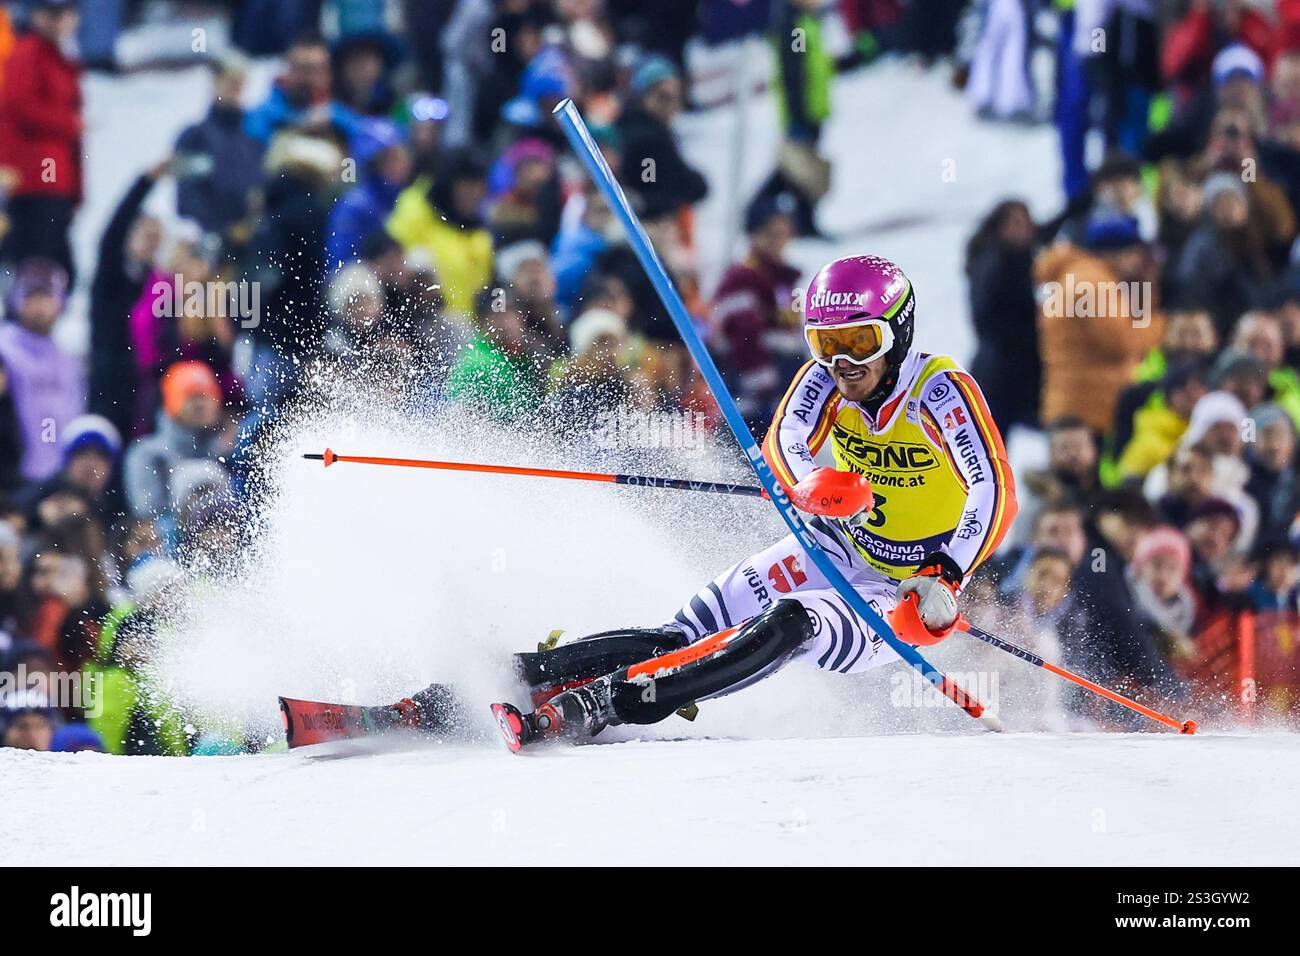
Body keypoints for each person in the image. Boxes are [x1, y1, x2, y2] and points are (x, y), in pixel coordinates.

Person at [488, 255, 1018, 751]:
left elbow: (993, 490)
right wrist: (812, 485)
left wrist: (946, 574)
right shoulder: (824, 380)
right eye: (824, 342)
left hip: (903, 590)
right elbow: (784, 441)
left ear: (897, 334)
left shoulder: (939, 391)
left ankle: (606, 705)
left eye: (859, 341)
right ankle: (512, 677)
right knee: (684, 636)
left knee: (791, 622)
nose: (842, 362)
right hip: (836, 546)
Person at [0, 0, 83, 279]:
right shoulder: (27, 54)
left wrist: (75, 191)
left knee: (57, 271)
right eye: (52, 13)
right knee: (37, 270)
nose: (59, 21)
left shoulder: (59, 56)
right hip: (33, 182)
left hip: (56, 182)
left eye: (65, 13)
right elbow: (17, 105)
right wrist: (68, 123)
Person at [0, 257, 85, 482]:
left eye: (46, 296)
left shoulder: (67, 359)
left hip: (60, 478)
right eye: (30, 296)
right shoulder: (4, 349)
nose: (39, 306)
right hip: (13, 477)